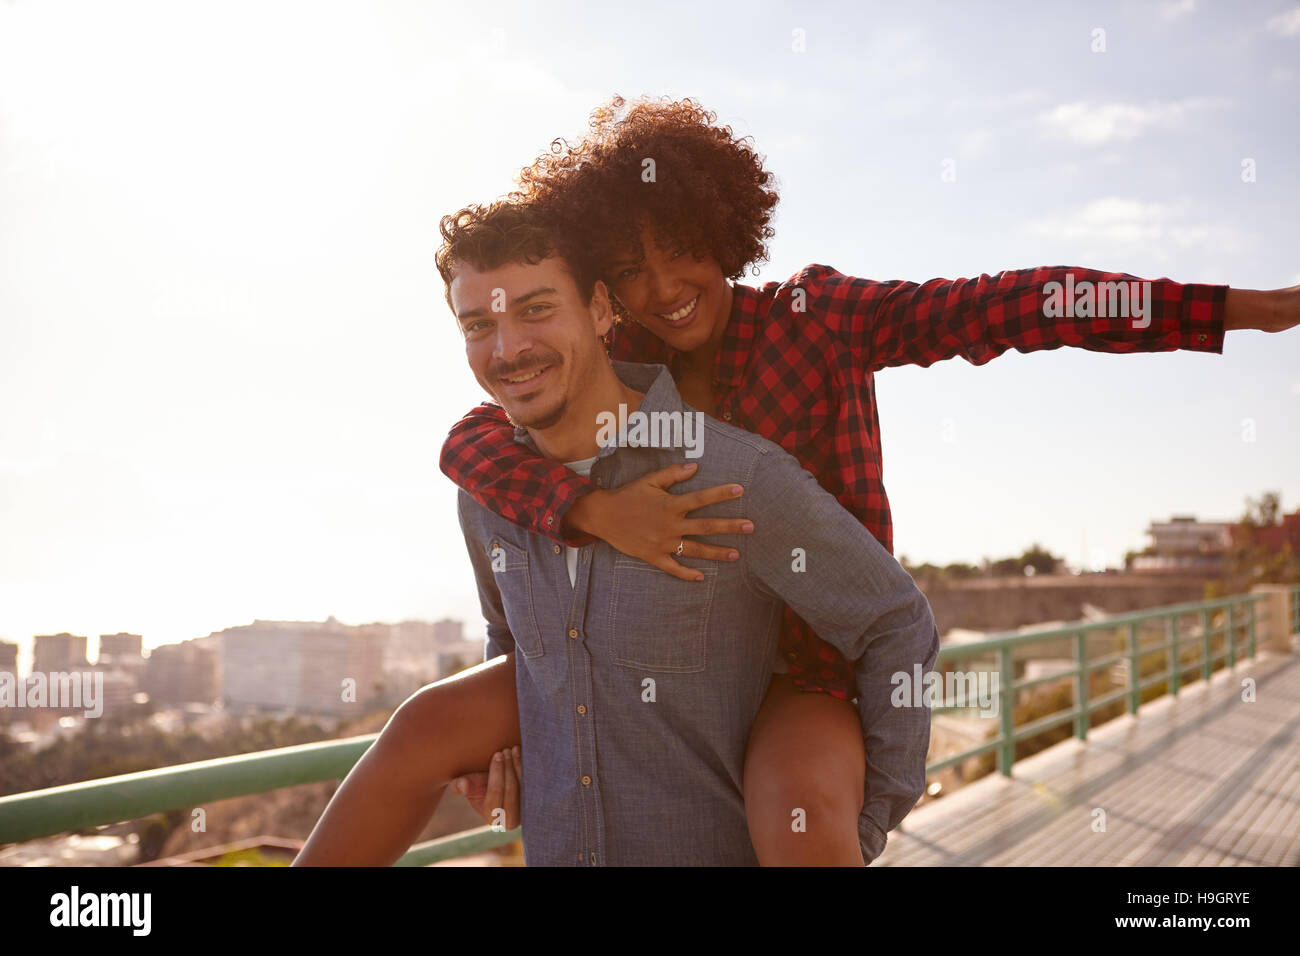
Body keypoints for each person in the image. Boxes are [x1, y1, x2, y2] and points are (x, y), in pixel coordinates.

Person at [437, 95, 1299, 862]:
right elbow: (475, 447)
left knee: (801, 822)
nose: (664, 291)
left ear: (728, 230)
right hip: (668, 684)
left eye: (684, 251)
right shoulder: (615, 361)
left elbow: (1022, 303)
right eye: (629, 271)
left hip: (805, 672)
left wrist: (1250, 310)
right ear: (600, 287)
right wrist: (587, 515)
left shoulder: (822, 320)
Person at [296, 197, 939, 866]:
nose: (508, 348)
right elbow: (512, 643)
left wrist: (868, 825)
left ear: (602, 310)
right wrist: (499, 753)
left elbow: (895, 623)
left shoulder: (729, 476)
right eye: (478, 324)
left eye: (536, 309)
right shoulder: (489, 497)